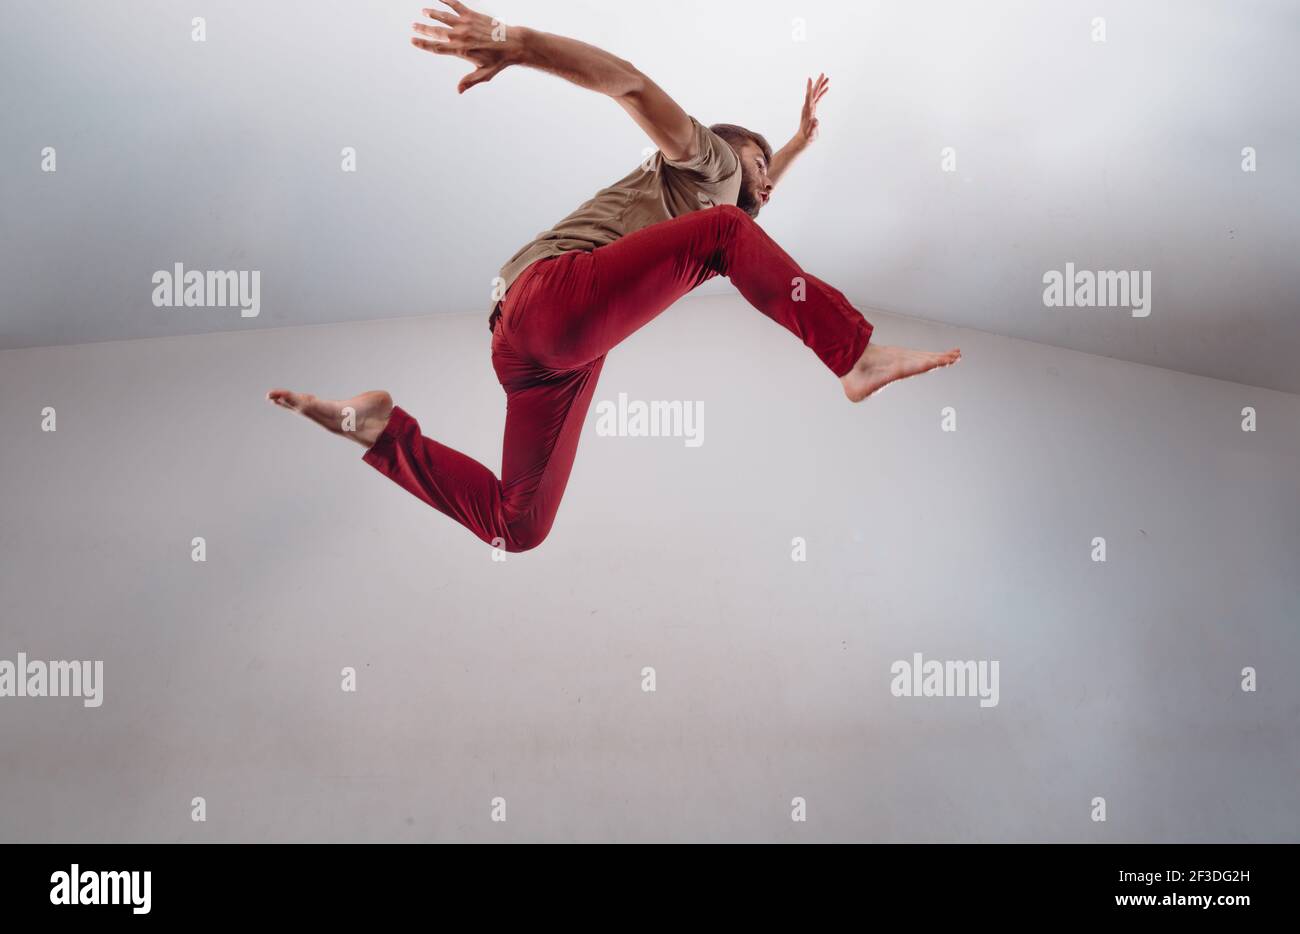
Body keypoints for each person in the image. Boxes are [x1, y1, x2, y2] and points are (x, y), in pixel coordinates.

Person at [269, 1, 961, 552]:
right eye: (756, 163)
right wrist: (521, 41)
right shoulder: (713, 169)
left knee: (522, 527)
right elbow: (631, 84)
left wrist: (793, 146)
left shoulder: (724, 202)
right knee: (729, 231)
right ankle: (855, 355)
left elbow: (752, 196)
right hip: (552, 303)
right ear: (725, 151)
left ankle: (381, 430)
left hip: (537, 350)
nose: (763, 179)